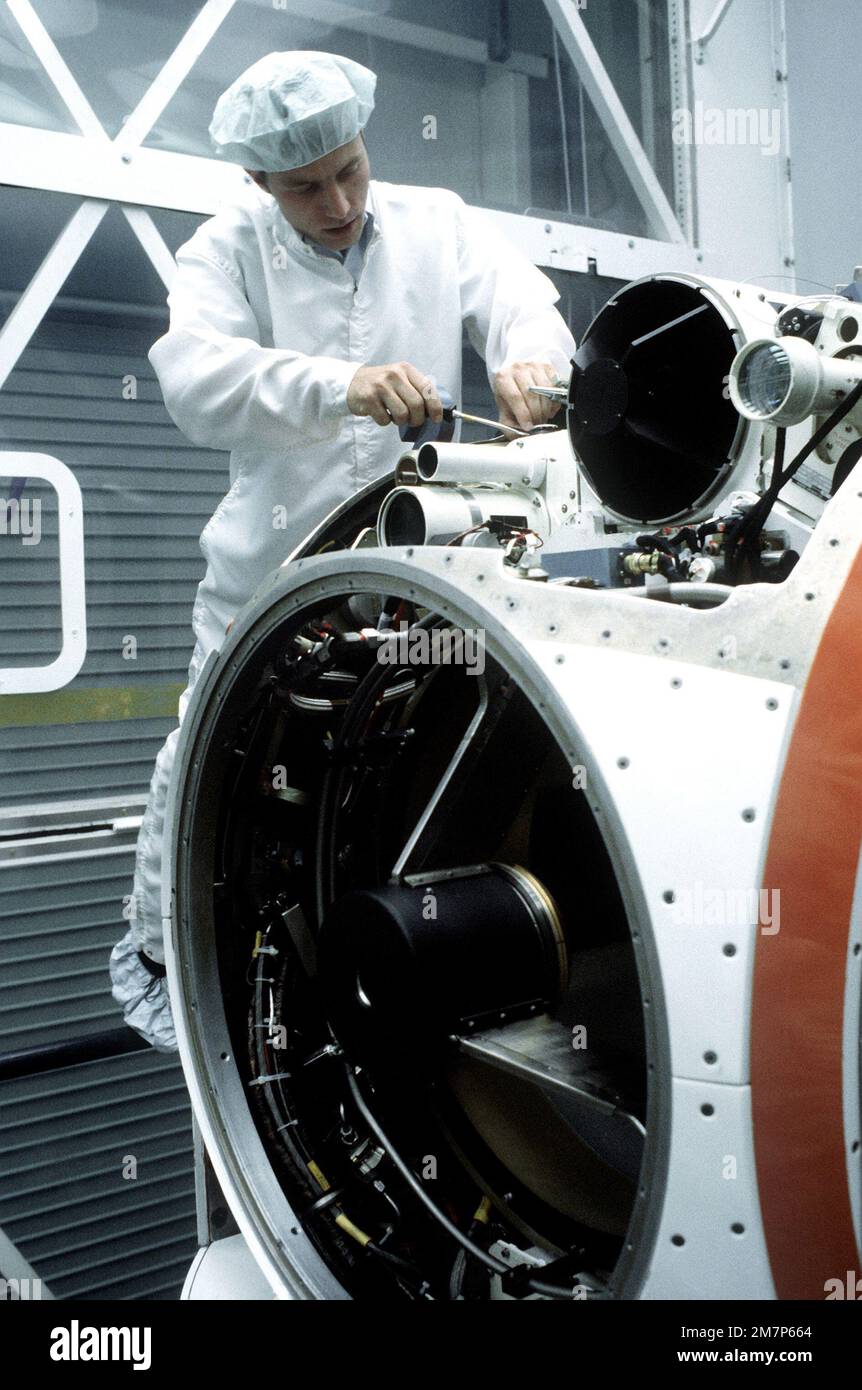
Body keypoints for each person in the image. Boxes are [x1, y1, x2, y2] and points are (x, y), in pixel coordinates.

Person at [109, 49, 576, 1051]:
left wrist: (529, 359)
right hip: (267, 581)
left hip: (416, 572)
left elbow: (519, 298)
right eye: (306, 188)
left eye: (350, 170)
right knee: (201, 760)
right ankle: (166, 963)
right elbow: (196, 379)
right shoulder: (224, 250)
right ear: (257, 184)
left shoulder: (433, 220)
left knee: (410, 759)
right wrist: (341, 385)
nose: (337, 202)